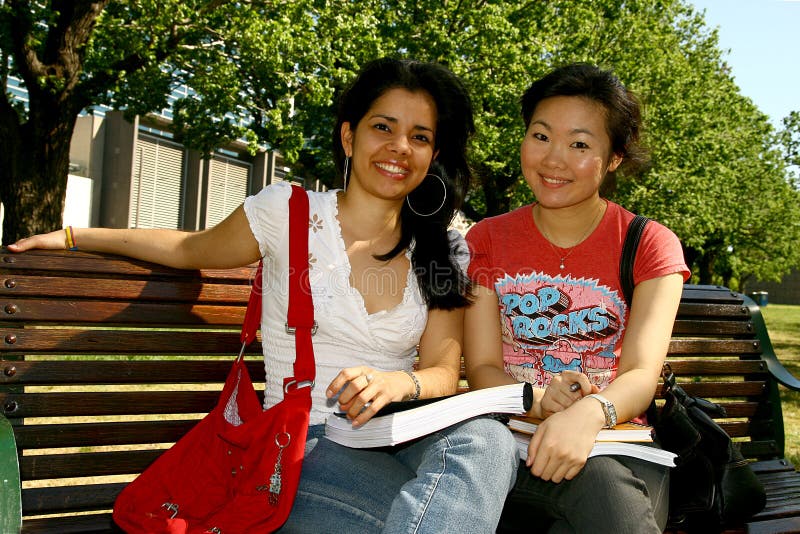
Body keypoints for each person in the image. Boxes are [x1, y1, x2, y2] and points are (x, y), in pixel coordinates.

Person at [10, 57, 519, 533]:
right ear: (348, 136)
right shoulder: (289, 213)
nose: (400, 147)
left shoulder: (442, 245)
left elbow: (439, 373)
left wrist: (396, 382)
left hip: (404, 436)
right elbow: (191, 247)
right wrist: (77, 236)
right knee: (423, 513)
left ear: (432, 154)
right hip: (306, 443)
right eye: (382, 127)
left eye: (420, 136)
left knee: (490, 440)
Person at [463, 63, 691, 533]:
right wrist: (540, 401)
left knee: (604, 488)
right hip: (509, 444)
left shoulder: (648, 243)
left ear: (613, 159)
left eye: (580, 145)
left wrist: (591, 412)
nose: (553, 160)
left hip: (617, 447)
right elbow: (484, 364)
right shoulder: (486, 239)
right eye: (541, 136)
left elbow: (641, 373)